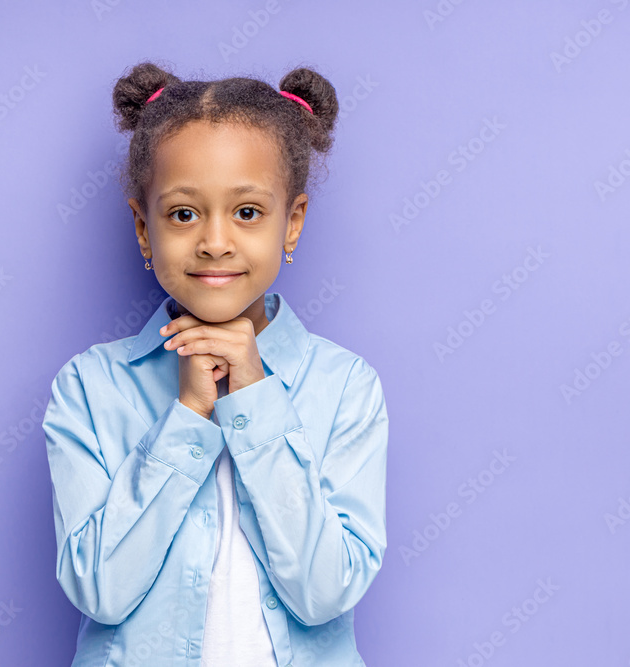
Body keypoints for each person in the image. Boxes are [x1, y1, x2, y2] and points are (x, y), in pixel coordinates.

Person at [41, 60, 389, 666]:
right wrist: (189, 414)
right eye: (183, 213)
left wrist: (253, 399)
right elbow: (98, 590)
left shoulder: (346, 387)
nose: (215, 241)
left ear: (293, 223)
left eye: (248, 212)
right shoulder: (90, 387)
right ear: (143, 230)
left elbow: (326, 592)